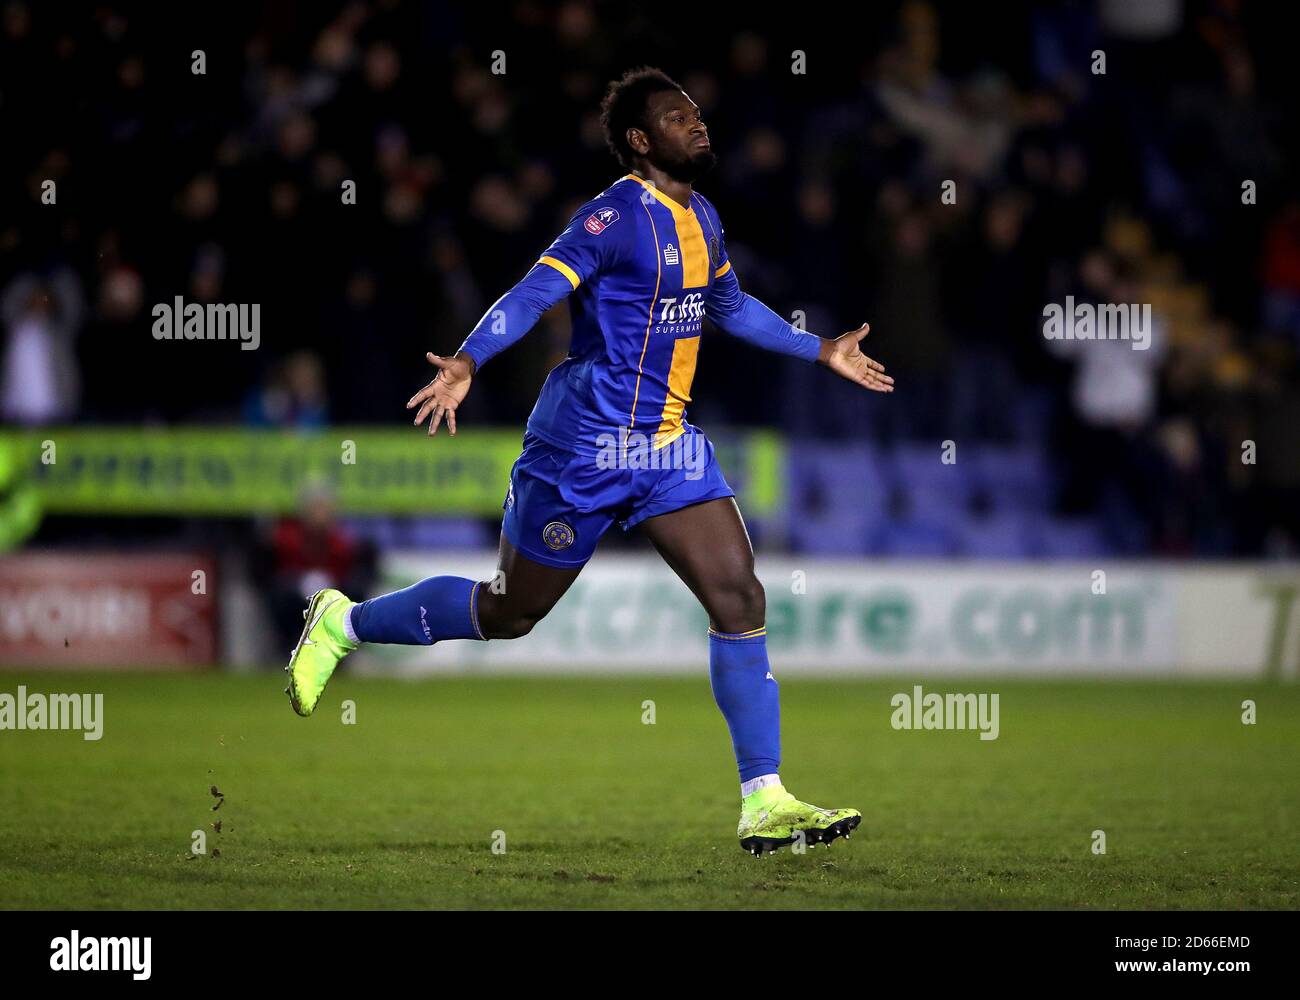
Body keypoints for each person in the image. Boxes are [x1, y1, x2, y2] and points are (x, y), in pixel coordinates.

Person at [283, 68, 893, 855]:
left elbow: (730, 307)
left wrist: (821, 349)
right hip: (583, 447)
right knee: (510, 611)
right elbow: (536, 291)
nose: (698, 125)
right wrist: (468, 362)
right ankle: (346, 621)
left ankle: (764, 800)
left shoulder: (703, 215)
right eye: (679, 118)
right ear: (641, 141)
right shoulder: (613, 216)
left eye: (698, 114)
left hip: (668, 448)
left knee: (739, 596)